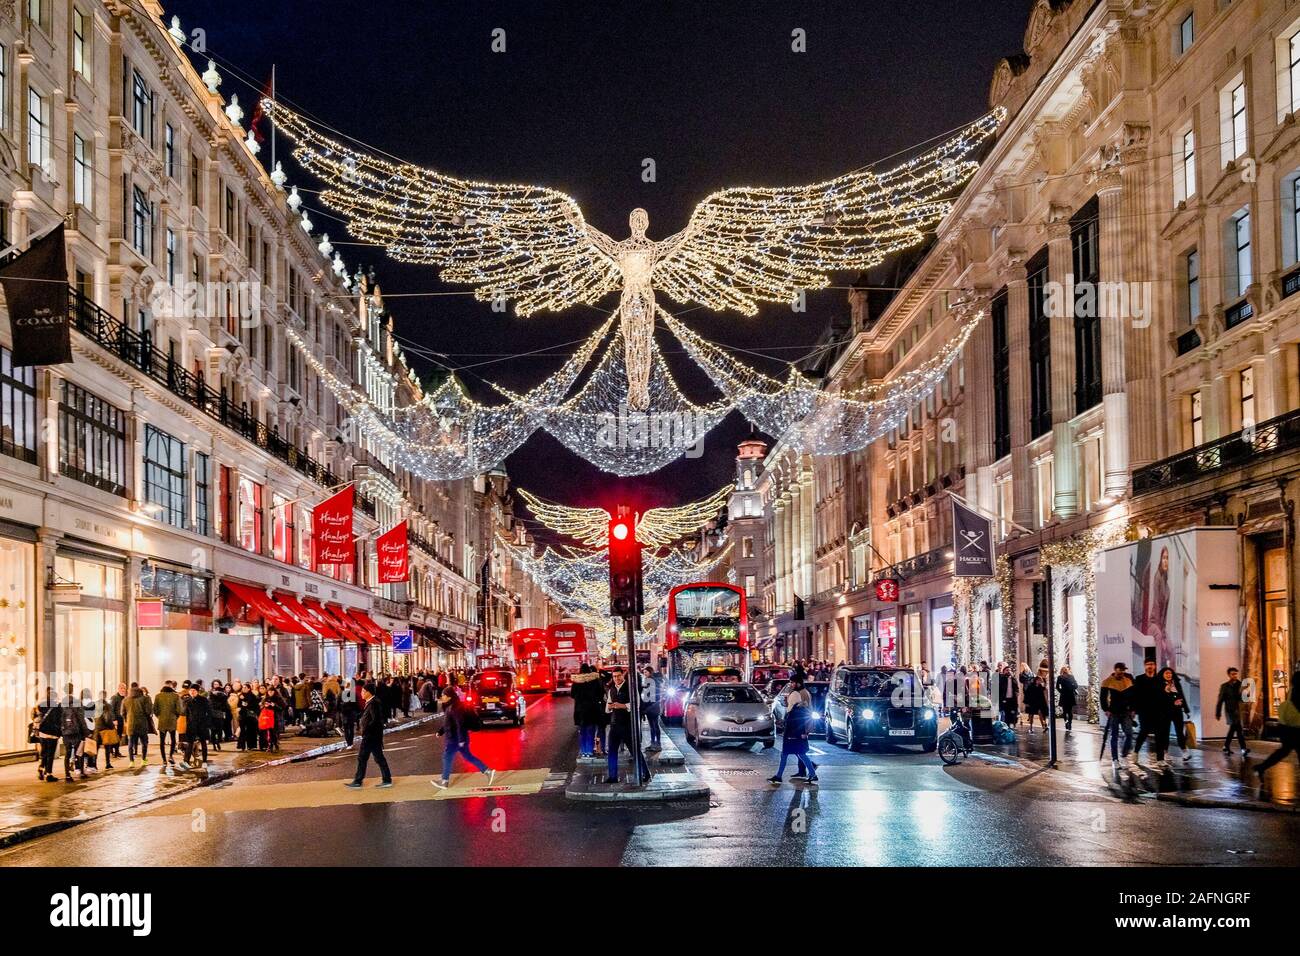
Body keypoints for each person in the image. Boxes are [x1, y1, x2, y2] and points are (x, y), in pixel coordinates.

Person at [431, 684, 494, 789]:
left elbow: (459, 723)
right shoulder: (451, 706)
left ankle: (444, 781)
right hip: (458, 737)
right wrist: (441, 731)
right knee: (467, 756)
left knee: (447, 757)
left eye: (444, 695)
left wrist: (461, 740)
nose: (442, 697)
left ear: (449, 696)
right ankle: (487, 771)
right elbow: (449, 723)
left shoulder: (454, 708)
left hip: (455, 738)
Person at [344, 681, 394, 789]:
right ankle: (386, 779)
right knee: (377, 758)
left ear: (369, 693)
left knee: (363, 758)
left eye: (363, 691)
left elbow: (375, 720)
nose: (361, 693)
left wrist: (366, 730)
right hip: (372, 736)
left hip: (370, 736)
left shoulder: (374, 703)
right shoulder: (371, 702)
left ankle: (358, 781)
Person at [603, 668, 648, 785]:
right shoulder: (612, 689)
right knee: (612, 751)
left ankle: (646, 773)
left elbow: (636, 704)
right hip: (614, 725)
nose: (616, 678)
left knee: (635, 751)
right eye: (614, 676)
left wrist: (621, 705)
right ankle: (612, 776)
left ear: (623, 675)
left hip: (627, 725)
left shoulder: (630, 688)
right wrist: (610, 706)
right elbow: (607, 709)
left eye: (618, 676)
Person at [769, 679, 817, 785]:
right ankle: (779, 776)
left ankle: (779, 776)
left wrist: (800, 734)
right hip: (793, 736)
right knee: (799, 754)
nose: (786, 701)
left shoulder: (796, 710)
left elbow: (797, 724)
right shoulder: (795, 709)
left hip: (793, 736)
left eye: (788, 699)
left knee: (794, 754)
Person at [1255, 670, 1300, 781]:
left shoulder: (1292, 690)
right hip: (1295, 728)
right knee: (1284, 751)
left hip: (1286, 727)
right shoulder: (1298, 692)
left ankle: (1262, 767)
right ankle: (1261, 767)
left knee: (1283, 751)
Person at [1131, 659, 1168, 767]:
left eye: (1151, 664)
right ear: (1144, 666)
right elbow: (1135, 695)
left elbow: (1163, 695)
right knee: (1144, 732)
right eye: (1147, 664)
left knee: (1159, 734)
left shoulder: (1159, 680)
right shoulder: (1139, 679)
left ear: (1155, 666)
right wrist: (1133, 709)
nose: (1150, 666)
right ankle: (1136, 751)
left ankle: (1160, 758)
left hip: (1158, 711)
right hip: (1144, 710)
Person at [1099, 662, 1135, 767]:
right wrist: (1106, 709)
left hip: (1125, 712)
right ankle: (1115, 759)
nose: (1122, 673)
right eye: (1120, 671)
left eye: (1123, 671)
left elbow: (1132, 697)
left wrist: (1132, 709)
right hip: (1113, 712)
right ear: (1115, 670)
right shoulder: (1107, 682)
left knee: (1129, 734)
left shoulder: (1128, 681)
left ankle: (1124, 755)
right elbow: (1103, 698)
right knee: (1114, 735)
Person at [570, 663, 604, 757]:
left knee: (582, 731)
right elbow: (600, 693)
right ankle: (589, 750)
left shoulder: (576, 681)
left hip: (580, 710)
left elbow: (572, 695)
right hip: (592, 709)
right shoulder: (595, 680)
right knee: (591, 730)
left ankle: (584, 751)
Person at [1160, 666, 1193, 763]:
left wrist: (1186, 709)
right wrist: (1172, 701)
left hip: (1177, 711)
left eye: (1170, 673)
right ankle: (1165, 752)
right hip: (1165, 712)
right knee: (1165, 732)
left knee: (1180, 731)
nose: (1169, 675)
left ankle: (1184, 751)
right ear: (1163, 675)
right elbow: (1161, 699)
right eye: (1166, 673)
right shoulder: (1160, 685)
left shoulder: (1176, 683)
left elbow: (1181, 695)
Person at [59, 686, 90, 780]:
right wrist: (86, 732)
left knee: (67, 754)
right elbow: (81, 718)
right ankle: (81, 772)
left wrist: (62, 731)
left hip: (65, 733)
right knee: (79, 752)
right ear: (72, 690)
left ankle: (67, 775)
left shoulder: (61, 704)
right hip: (76, 732)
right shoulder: (77, 702)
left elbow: (59, 720)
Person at [1216, 667, 1249, 755]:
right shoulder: (1225, 686)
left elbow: (1244, 699)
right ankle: (1243, 748)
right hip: (1230, 711)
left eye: (1236, 674)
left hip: (1237, 710)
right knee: (1238, 729)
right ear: (1229, 675)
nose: (1235, 675)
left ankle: (1226, 746)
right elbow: (1220, 700)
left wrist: (1246, 693)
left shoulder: (1240, 685)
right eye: (1233, 674)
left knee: (1233, 728)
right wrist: (1218, 713)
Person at [178, 685, 211, 770]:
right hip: (191, 725)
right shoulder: (187, 701)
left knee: (203, 743)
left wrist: (207, 723)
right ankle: (186, 761)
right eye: (191, 690)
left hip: (202, 725)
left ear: (197, 691)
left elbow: (209, 712)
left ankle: (204, 761)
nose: (192, 692)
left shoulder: (203, 700)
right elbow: (185, 713)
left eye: (194, 690)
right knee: (190, 743)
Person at [153, 681, 181, 766]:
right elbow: (179, 710)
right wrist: (175, 717)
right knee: (173, 739)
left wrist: (159, 716)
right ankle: (171, 756)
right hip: (172, 720)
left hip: (162, 721)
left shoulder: (158, 696)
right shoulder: (175, 696)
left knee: (162, 741)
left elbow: (155, 709)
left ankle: (164, 760)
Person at [640, 665, 663, 751]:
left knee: (653, 726)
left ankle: (655, 744)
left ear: (650, 672)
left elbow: (648, 696)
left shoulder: (649, 680)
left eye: (646, 672)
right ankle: (656, 743)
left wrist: (645, 707)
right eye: (644, 672)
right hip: (655, 705)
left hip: (651, 706)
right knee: (655, 725)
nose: (644, 673)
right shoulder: (655, 681)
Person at [1056, 666, 1078, 733]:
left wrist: (1062, 691)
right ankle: (1068, 723)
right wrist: (1071, 688)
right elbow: (1076, 685)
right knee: (1068, 711)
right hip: (1068, 695)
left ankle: (1068, 723)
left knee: (1066, 711)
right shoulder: (1064, 677)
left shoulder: (1063, 677)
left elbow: (1057, 687)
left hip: (1066, 695)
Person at [339, 679, 360, 746]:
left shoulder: (341, 694)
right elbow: (356, 704)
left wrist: (340, 711)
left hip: (344, 713)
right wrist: (356, 712)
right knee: (351, 728)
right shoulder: (353, 694)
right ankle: (351, 742)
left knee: (345, 728)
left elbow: (337, 704)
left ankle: (348, 742)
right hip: (352, 713)